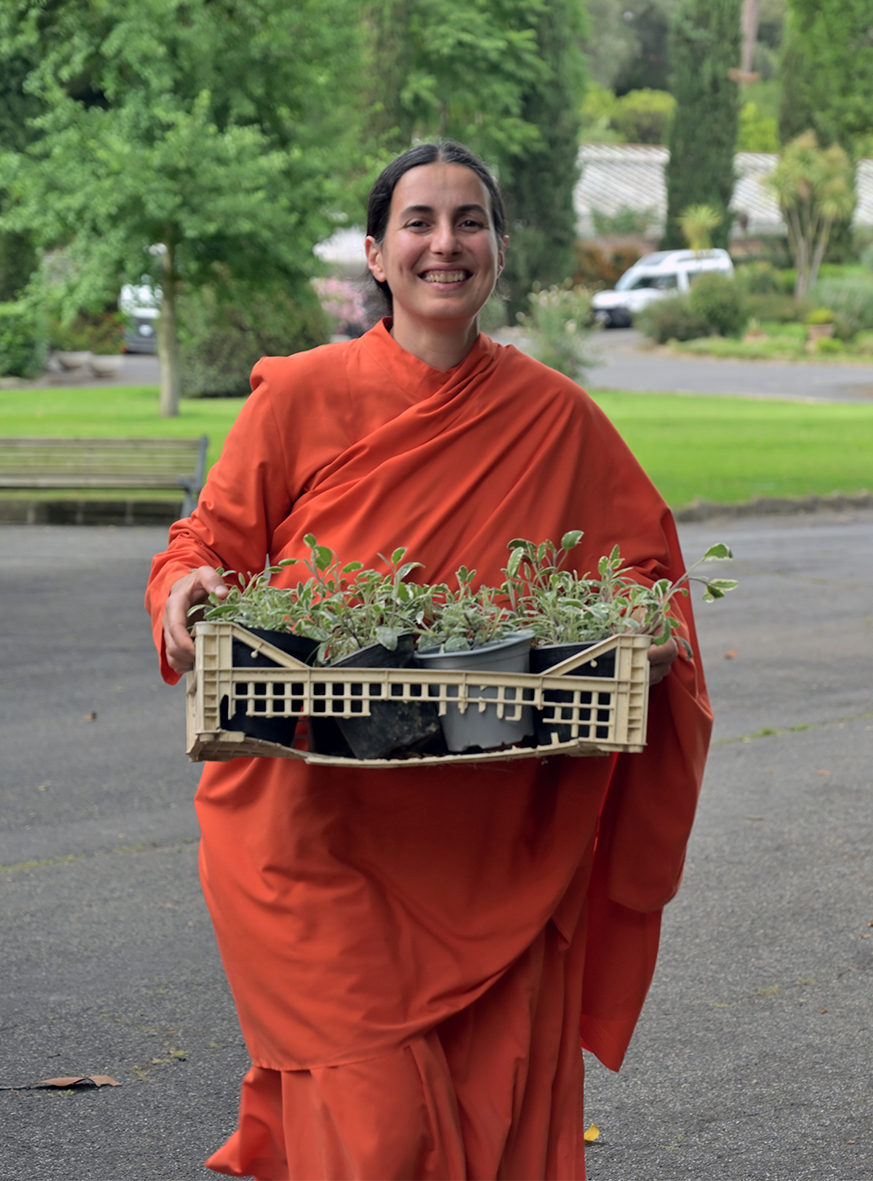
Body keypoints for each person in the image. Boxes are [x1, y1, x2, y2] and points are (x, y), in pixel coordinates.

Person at [145, 140, 713, 1180]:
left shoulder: (557, 419)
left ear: (500, 251)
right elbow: (207, 543)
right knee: (380, 1127)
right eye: (418, 222)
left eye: (468, 223)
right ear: (373, 252)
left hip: (484, 839)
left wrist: (636, 628)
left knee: (480, 1107)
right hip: (305, 826)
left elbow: (646, 573)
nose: (442, 244)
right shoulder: (298, 395)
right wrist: (185, 593)